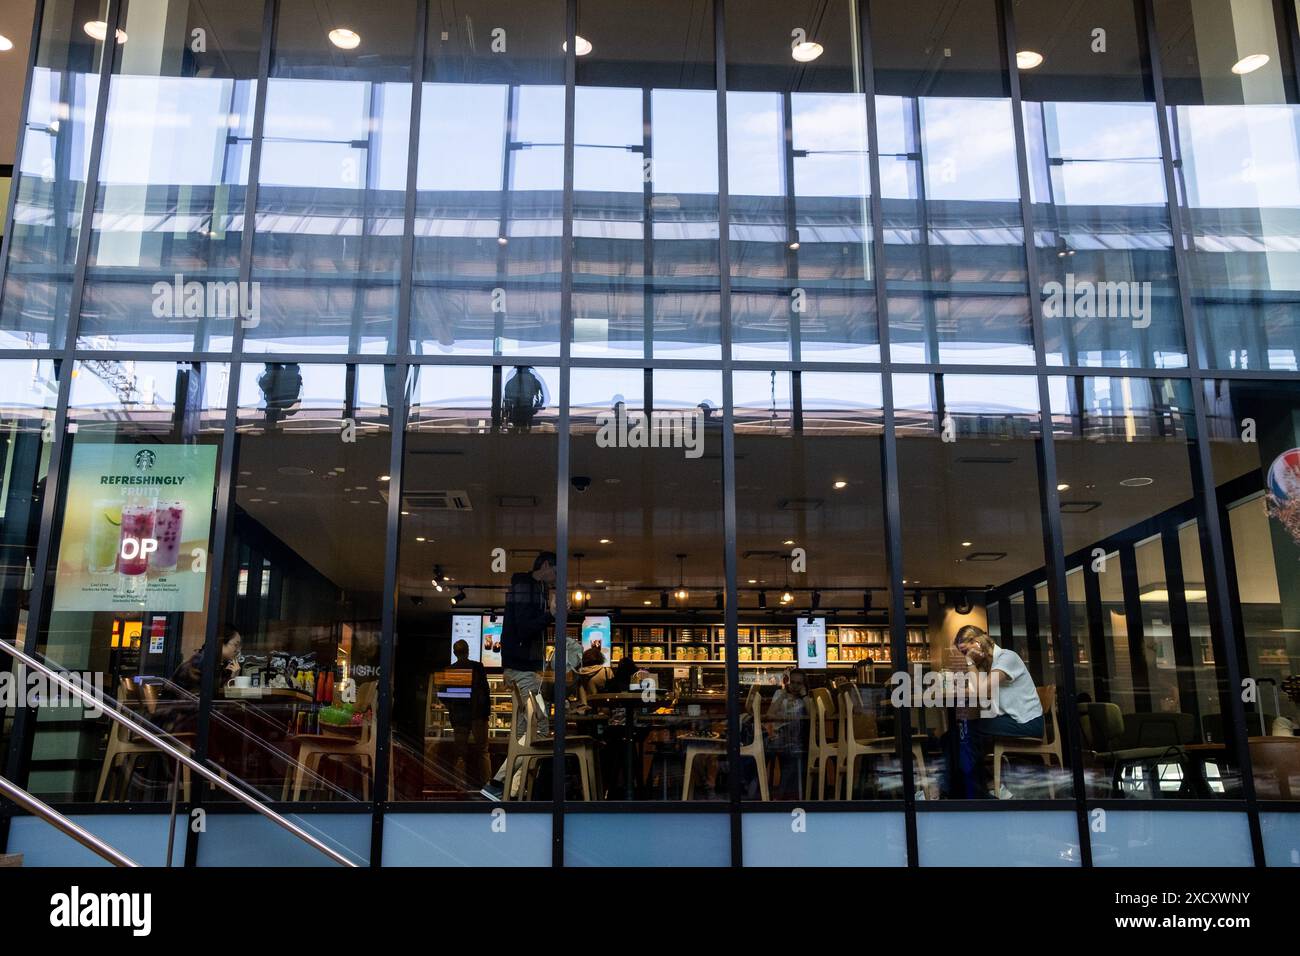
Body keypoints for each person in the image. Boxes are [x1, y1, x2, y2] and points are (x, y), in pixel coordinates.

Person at [482, 551, 556, 799]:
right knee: (541, 728)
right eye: (556, 571)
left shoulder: (532, 588)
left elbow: (520, 627)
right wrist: (550, 615)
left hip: (520, 667)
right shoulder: (526, 587)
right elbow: (524, 629)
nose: (556, 578)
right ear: (545, 565)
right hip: (523, 669)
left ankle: (509, 791)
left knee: (526, 730)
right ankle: (499, 784)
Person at [953, 625, 1043, 798]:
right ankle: (982, 788)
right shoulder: (989, 665)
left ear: (976, 642)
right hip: (1008, 721)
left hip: (1027, 722)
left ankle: (979, 792)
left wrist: (970, 663)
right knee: (955, 734)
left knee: (968, 730)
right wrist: (975, 665)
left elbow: (980, 691)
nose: (966, 657)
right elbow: (977, 690)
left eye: (966, 651)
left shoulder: (1007, 658)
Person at [448, 639, 491, 789]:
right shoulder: (478, 667)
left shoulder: (451, 669)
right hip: (478, 716)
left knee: (460, 754)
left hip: (460, 717)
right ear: (468, 651)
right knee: (483, 750)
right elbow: (486, 691)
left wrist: (453, 708)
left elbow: (444, 694)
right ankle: (487, 785)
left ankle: (459, 785)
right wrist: (486, 713)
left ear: (454, 653)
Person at [765, 670, 809, 800]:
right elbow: (769, 714)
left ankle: (783, 794)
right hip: (779, 737)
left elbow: (812, 715)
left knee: (792, 754)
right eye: (793, 682)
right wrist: (784, 695)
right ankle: (783, 794)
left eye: (799, 683)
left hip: (796, 738)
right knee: (790, 753)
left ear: (804, 685)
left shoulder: (806, 698)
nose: (795, 686)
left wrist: (805, 695)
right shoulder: (779, 693)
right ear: (788, 682)